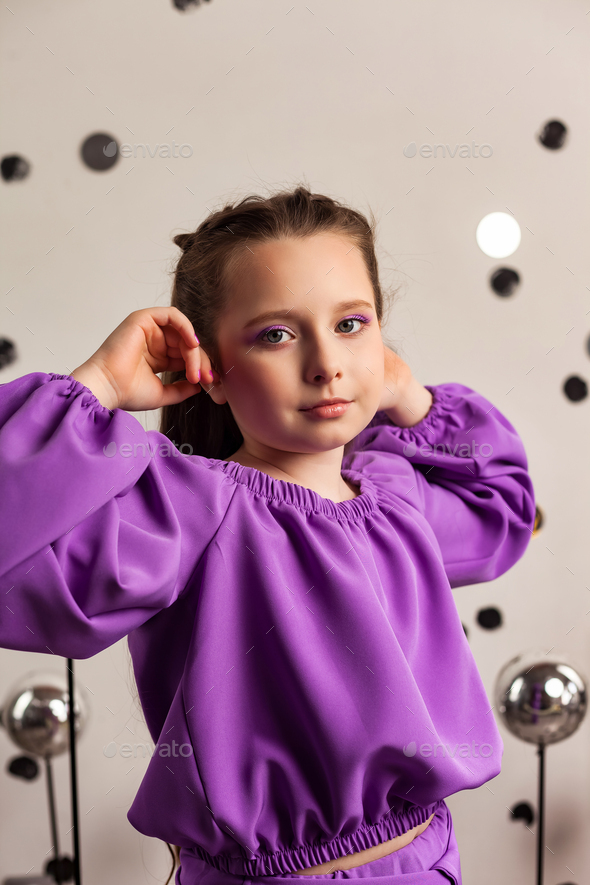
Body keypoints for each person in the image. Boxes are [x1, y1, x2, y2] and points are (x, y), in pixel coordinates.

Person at [0, 186, 536, 885]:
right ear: (210, 371)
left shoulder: (396, 495)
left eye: (351, 323)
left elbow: (503, 509)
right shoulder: (187, 507)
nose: (325, 363)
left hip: (430, 862)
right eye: (276, 334)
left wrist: (412, 397)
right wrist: (97, 385)